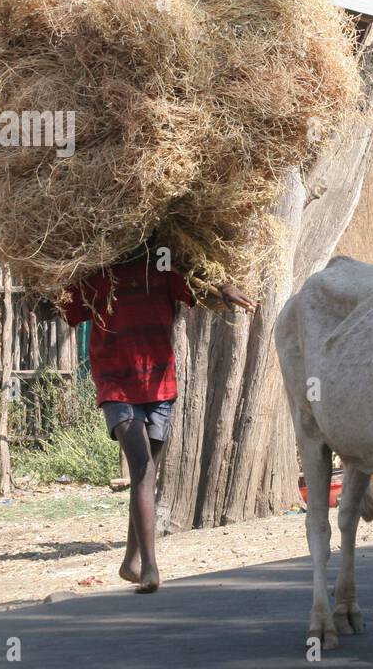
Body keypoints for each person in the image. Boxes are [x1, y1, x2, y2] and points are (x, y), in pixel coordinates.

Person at [43, 242, 252, 593]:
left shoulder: (164, 267)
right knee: (143, 469)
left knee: (146, 477)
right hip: (116, 384)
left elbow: (202, 288)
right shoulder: (98, 273)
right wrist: (45, 286)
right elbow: (63, 307)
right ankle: (151, 567)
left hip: (159, 383)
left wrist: (225, 288)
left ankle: (131, 561)